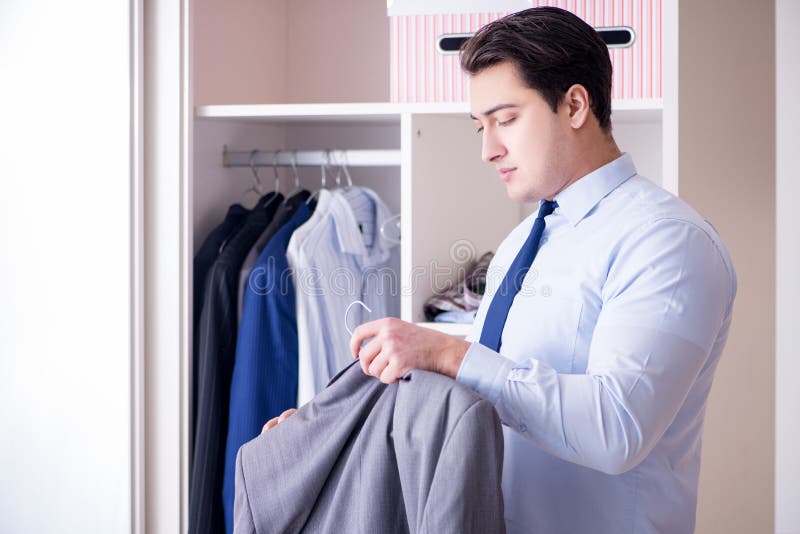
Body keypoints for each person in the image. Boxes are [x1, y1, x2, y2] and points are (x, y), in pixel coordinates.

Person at [264, 6, 736, 533]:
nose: (488, 149)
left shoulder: (668, 242)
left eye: (506, 119)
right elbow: (476, 404)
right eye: (480, 126)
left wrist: (447, 352)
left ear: (575, 104)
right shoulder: (519, 244)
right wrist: (336, 435)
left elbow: (616, 429)